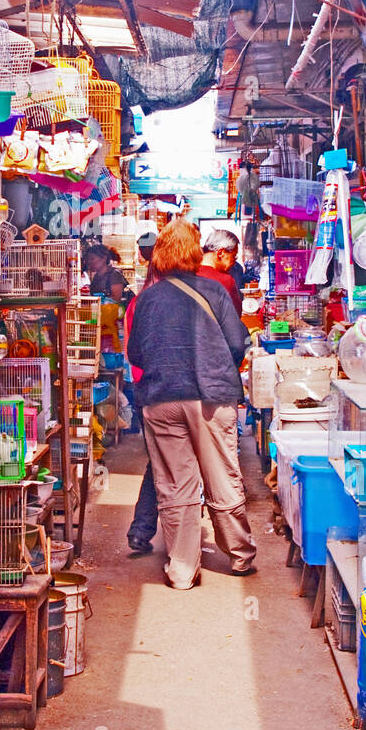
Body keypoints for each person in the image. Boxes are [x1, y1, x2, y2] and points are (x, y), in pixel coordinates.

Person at [127, 219, 257, 589]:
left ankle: (183, 569)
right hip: (210, 399)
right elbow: (236, 343)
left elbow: (136, 353)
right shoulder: (215, 290)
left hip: (161, 399)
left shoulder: (147, 298)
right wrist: (217, 369)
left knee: (175, 485)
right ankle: (240, 556)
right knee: (222, 477)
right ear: (195, 251)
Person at [123, 256, 161, 554]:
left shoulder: (139, 301)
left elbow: (132, 351)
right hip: (163, 387)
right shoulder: (162, 301)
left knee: (158, 461)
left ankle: (141, 530)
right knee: (171, 462)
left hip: (143, 387)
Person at [199, 229, 243, 315]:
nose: (234, 262)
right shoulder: (225, 281)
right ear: (220, 253)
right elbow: (235, 316)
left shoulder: (187, 273)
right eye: (233, 256)